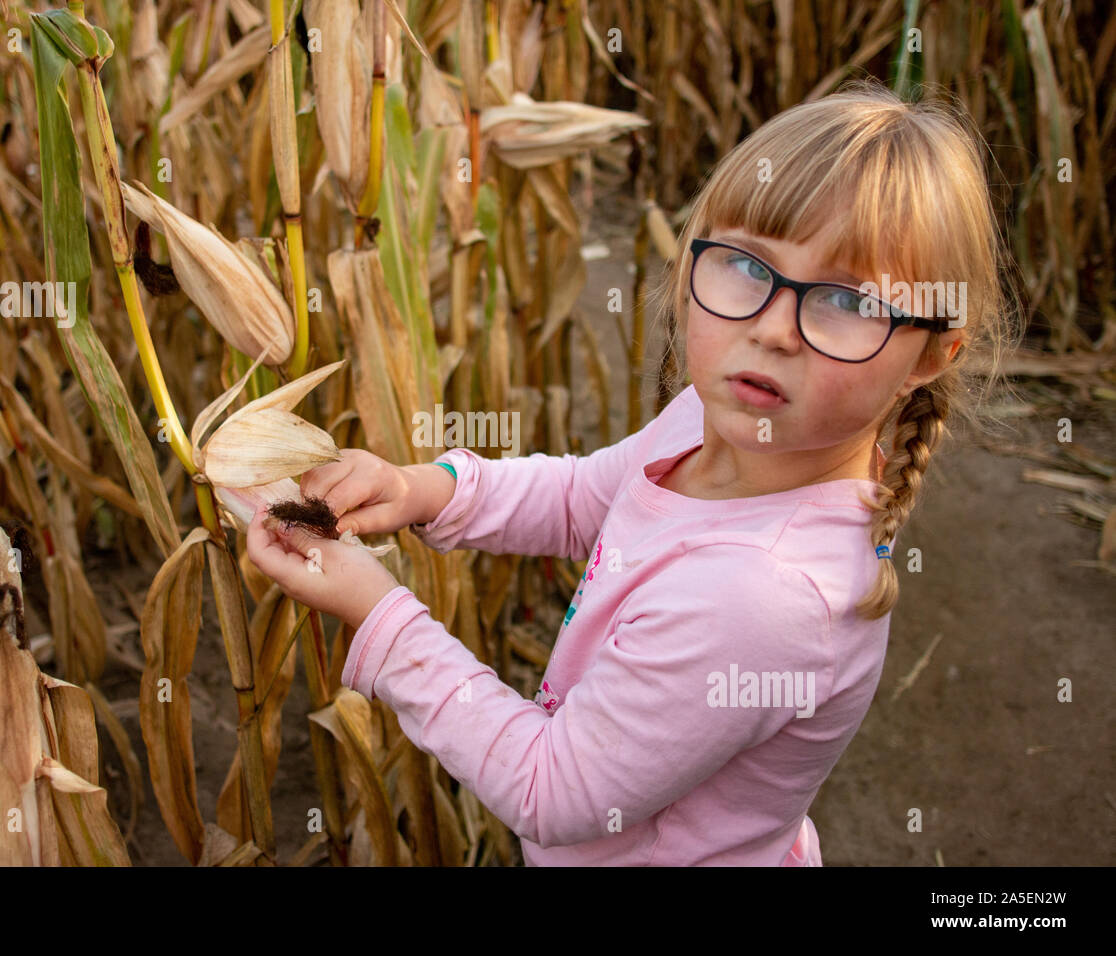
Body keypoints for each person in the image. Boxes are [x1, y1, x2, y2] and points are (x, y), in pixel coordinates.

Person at [242, 81, 1024, 865]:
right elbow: (588, 495)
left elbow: (552, 793)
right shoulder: (725, 418)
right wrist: (425, 489)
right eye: (747, 267)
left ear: (930, 354)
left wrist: (378, 615)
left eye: (849, 303)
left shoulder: (761, 597)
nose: (774, 330)